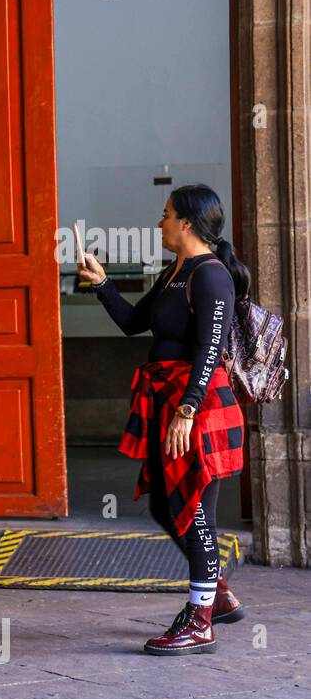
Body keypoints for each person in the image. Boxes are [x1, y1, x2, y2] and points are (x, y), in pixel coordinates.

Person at [79, 184, 248, 655]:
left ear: (187, 224)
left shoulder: (211, 276)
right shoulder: (175, 270)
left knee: (193, 510)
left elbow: (210, 349)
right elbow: (134, 322)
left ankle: (199, 619)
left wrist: (187, 411)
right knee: (165, 506)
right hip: (171, 400)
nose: (159, 222)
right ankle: (217, 595)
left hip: (200, 405)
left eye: (166, 214)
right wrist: (101, 283)